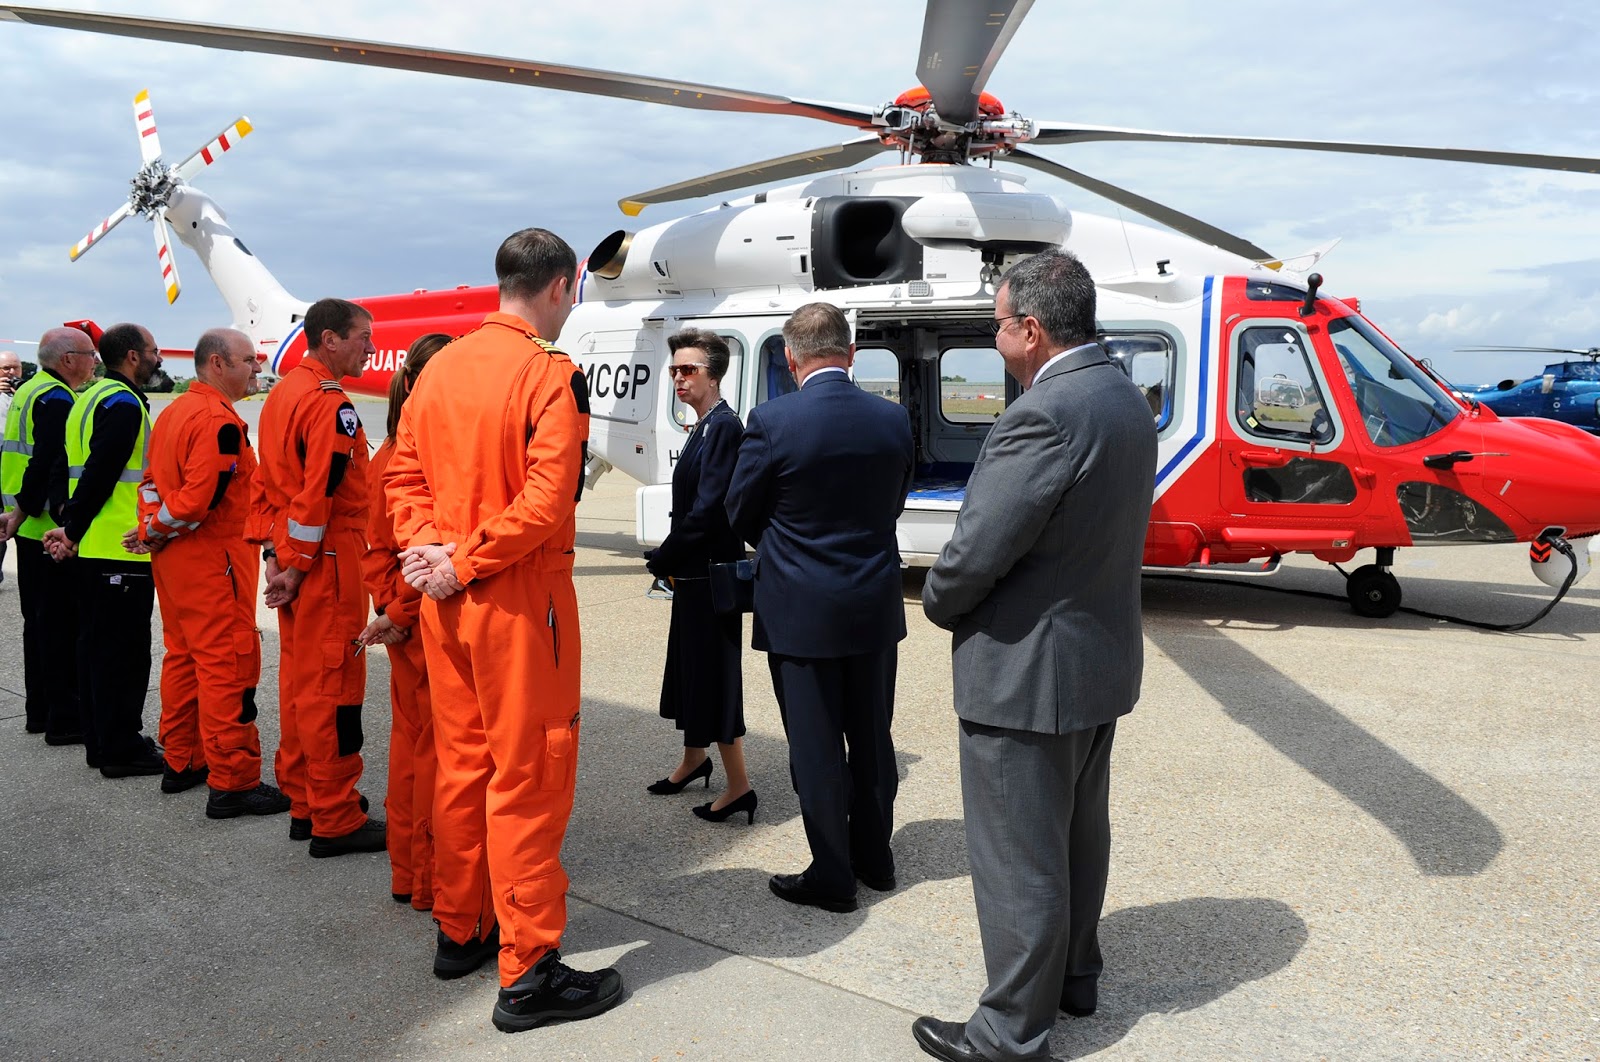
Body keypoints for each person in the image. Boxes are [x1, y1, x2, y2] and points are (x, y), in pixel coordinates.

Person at [913, 249, 1157, 1062]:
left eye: (996, 326)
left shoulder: (1043, 414)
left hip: (1026, 673)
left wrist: (936, 599)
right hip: (1095, 662)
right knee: (1079, 836)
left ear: (1031, 329)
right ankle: (1073, 977)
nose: (994, 342)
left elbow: (978, 549)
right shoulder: (1122, 394)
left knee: (1019, 856)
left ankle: (1010, 1034)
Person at [386, 227, 623, 1032]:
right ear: (559, 287)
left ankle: (462, 927)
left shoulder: (441, 365)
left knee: (461, 764)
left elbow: (404, 471)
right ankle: (527, 972)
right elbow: (550, 500)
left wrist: (427, 550)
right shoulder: (550, 372)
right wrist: (465, 559)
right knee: (529, 775)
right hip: (517, 600)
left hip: (448, 601)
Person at [724, 301, 914, 914]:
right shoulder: (892, 420)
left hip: (800, 610)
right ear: (851, 353)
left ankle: (833, 874)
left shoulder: (773, 420)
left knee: (815, 746)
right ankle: (876, 860)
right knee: (871, 736)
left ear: (789, 357)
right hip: (873, 604)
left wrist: (786, 542)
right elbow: (894, 503)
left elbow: (740, 511)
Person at [134, 328, 291, 818]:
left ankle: (183, 760)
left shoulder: (175, 411)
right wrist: (158, 529)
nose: (256, 369)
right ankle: (234, 781)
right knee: (228, 665)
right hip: (213, 562)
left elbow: (151, 484)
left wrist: (151, 529)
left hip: (177, 564)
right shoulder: (217, 421)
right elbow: (200, 500)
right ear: (218, 364)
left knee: (183, 658)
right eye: (248, 360)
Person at [253, 298, 384, 857]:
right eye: (362, 337)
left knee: (301, 685)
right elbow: (319, 495)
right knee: (334, 688)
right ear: (329, 339)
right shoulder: (330, 404)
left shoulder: (281, 394)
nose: (370, 348)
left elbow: (265, 491)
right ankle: (335, 816)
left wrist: (274, 558)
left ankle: (307, 802)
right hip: (328, 559)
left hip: (296, 555)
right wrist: (299, 567)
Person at [643, 329, 754, 823]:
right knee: (690, 672)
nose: (678, 378)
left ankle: (739, 785)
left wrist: (664, 556)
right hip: (692, 576)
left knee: (713, 677)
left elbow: (710, 508)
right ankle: (694, 759)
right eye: (674, 370)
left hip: (709, 579)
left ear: (714, 374)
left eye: (688, 370)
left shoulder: (724, 427)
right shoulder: (703, 425)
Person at [44, 324, 163, 776]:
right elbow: (103, 472)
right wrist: (72, 529)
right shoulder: (123, 403)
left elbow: (64, 466)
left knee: (94, 649)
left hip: (95, 548)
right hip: (119, 547)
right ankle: (120, 748)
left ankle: (102, 739)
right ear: (132, 357)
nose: (157, 358)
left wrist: (68, 523)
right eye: (152, 351)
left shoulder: (86, 399)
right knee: (124, 655)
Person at [360, 331, 450, 910]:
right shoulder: (427, 459)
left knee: (410, 745)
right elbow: (432, 557)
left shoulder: (387, 452)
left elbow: (376, 549)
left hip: (402, 622)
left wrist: (386, 610)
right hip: (425, 624)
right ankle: (431, 878)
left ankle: (408, 872)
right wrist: (397, 612)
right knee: (437, 757)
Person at [0, 329, 95, 742]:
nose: (95, 360)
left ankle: (39, 710)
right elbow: (45, 466)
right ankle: (62, 717)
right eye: (90, 354)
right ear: (68, 359)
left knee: (37, 624)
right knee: (57, 625)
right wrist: (21, 512)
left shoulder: (31, 389)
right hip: (41, 527)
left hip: (24, 524)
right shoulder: (56, 398)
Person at [0, 349, 21, 584]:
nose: (11, 373)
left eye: (16, 367)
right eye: (6, 368)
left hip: (15, 473)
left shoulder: (23, 393)